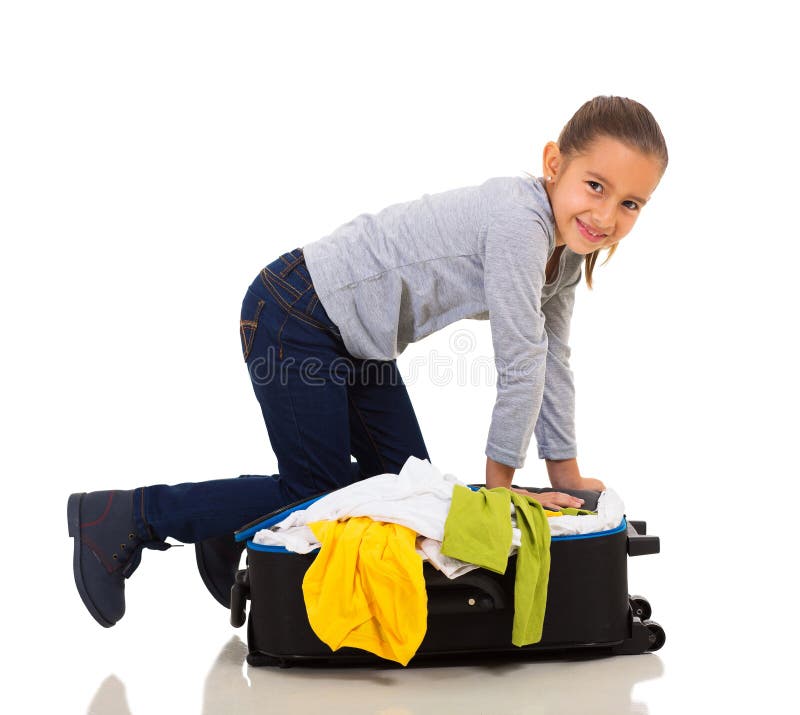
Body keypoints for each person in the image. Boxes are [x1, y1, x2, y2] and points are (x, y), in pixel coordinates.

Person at [67, 95, 668, 628]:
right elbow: (520, 363)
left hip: (356, 340)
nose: (608, 217)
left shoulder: (560, 258)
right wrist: (498, 493)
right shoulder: (521, 223)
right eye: (596, 186)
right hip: (298, 312)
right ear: (554, 164)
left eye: (631, 203)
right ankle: (126, 516)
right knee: (319, 490)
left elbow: (551, 359)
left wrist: (564, 474)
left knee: (408, 493)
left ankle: (224, 527)